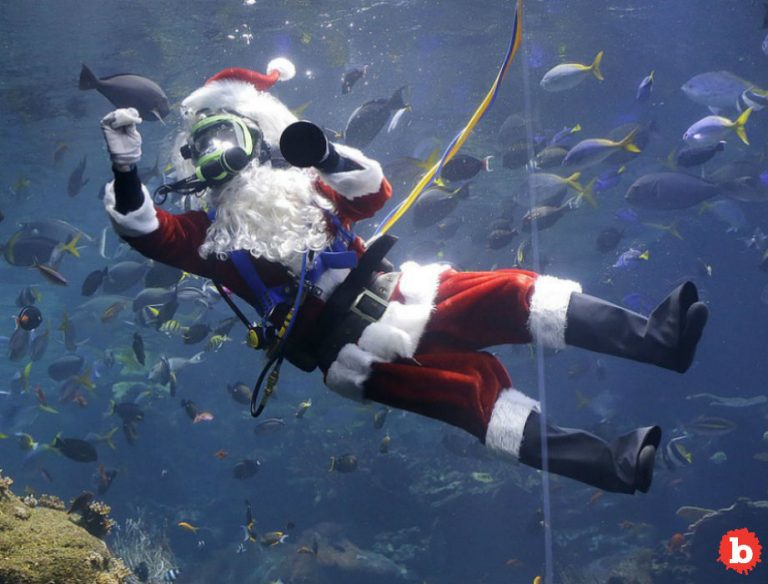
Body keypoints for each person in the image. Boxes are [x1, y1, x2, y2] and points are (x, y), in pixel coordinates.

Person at [99, 57, 708, 495]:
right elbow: (146, 229)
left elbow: (373, 193)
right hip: (354, 353)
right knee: (477, 396)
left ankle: (658, 339)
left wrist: (324, 155)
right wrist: (126, 169)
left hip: (405, 292)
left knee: (517, 292)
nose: (221, 158)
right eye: (204, 149)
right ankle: (613, 464)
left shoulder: (303, 188)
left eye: (230, 138)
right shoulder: (208, 240)